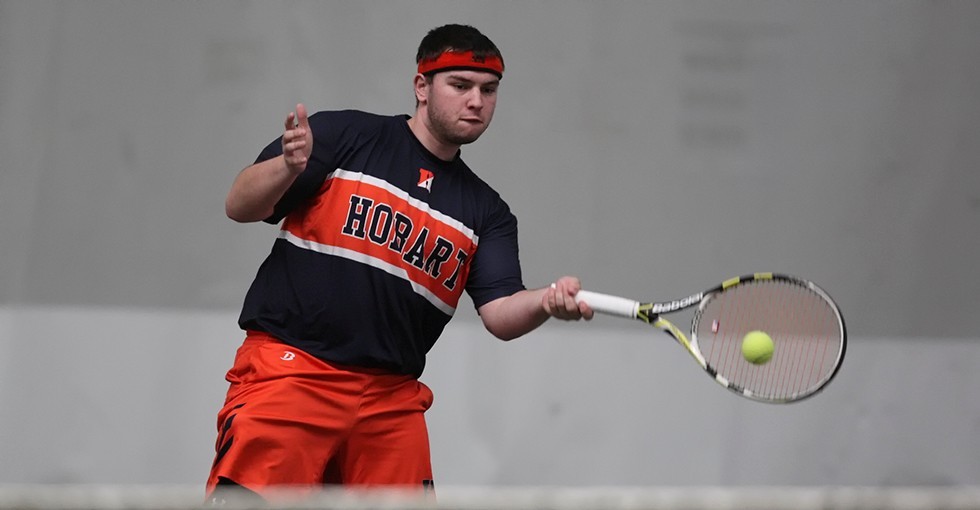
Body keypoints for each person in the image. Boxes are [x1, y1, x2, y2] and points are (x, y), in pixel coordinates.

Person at [206, 23, 593, 501]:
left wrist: (546, 303)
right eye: (461, 85)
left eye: (488, 90)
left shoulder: (487, 212)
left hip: (390, 401)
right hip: (291, 370)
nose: (477, 101)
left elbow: (500, 314)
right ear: (421, 87)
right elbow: (238, 206)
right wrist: (287, 167)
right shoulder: (344, 135)